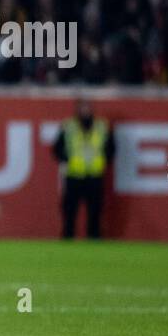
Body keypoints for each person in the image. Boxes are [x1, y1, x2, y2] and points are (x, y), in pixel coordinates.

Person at [53, 97, 116, 239]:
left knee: (95, 211)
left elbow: (111, 148)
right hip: (74, 174)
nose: (86, 110)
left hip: (95, 175)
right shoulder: (69, 126)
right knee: (69, 211)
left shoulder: (102, 126)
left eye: (88, 107)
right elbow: (57, 148)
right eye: (83, 107)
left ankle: (93, 238)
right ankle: (68, 237)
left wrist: (104, 160)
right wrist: (67, 159)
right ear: (77, 109)